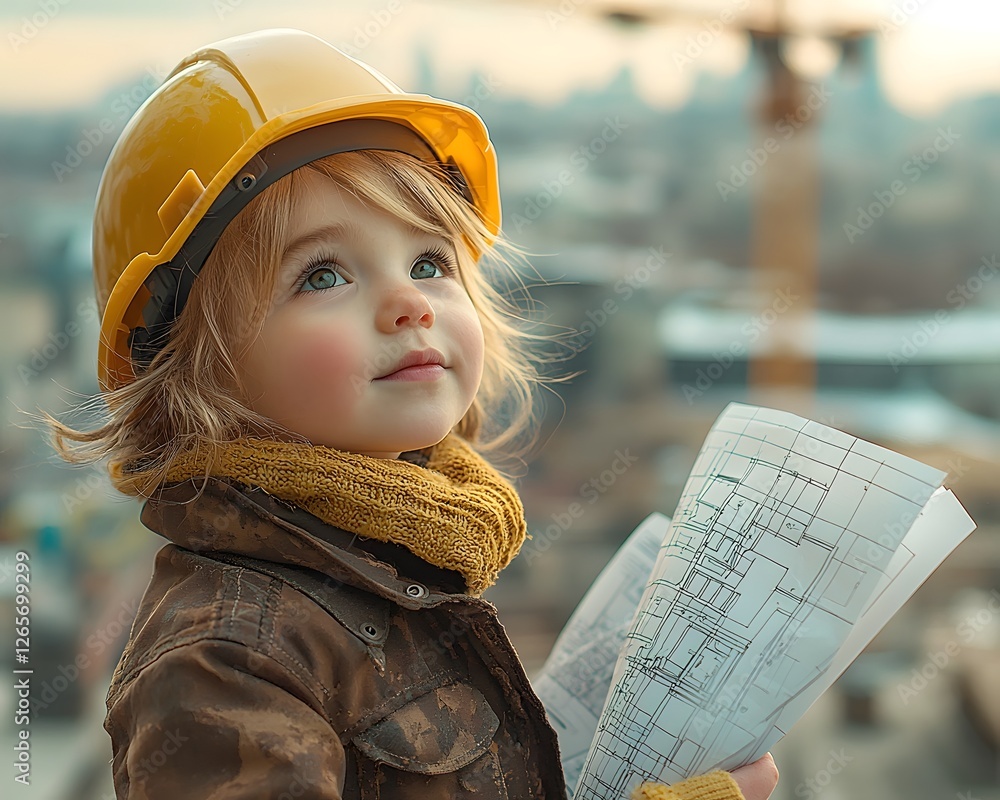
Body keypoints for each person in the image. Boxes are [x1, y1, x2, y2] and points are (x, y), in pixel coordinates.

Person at [43, 28, 779, 800]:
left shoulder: (400, 564)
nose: (407, 304)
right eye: (323, 275)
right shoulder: (224, 658)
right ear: (195, 373)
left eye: (430, 262)